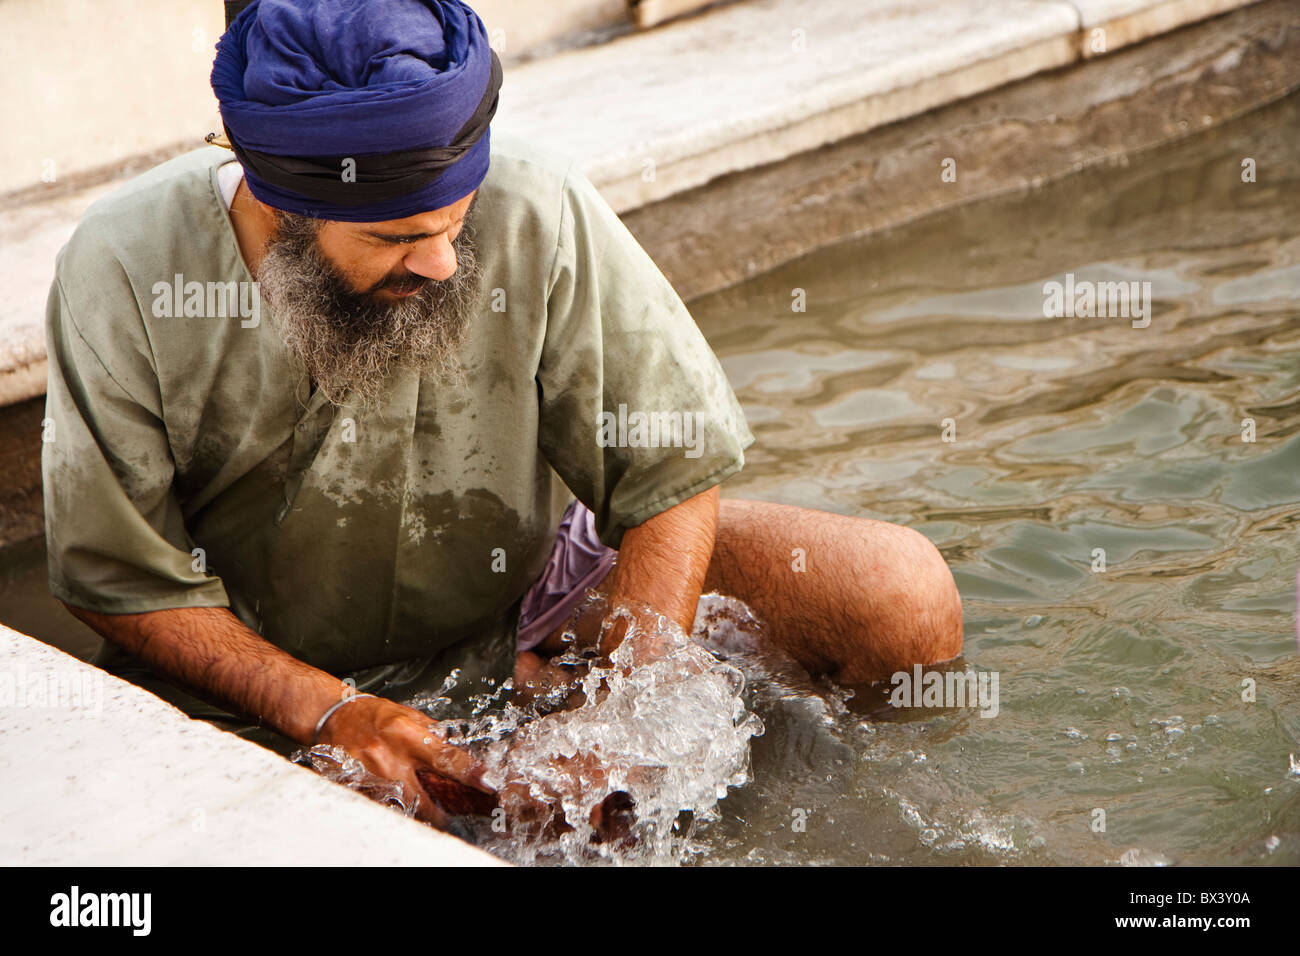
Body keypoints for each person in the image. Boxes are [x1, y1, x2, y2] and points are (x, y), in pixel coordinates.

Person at [41, 0, 962, 830]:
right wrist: (328, 712)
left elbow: (667, 471)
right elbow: (120, 580)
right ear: (277, 202)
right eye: (399, 238)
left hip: (525, 597)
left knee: (899, 596)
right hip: (263, 667)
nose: (444, 264)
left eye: (458, 219)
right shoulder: (123, 267)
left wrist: (632, 701)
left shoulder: (539, 200)